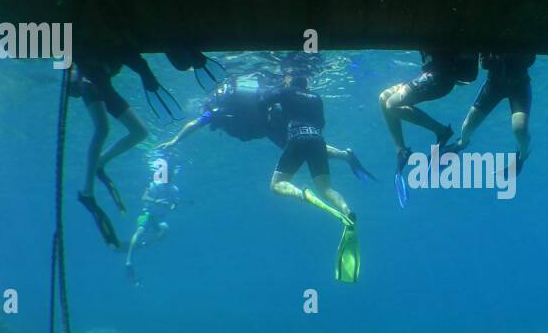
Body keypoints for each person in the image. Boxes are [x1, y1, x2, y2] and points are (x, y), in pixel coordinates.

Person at [157, 76, 377, 182]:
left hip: (271, 125)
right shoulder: (224, 102)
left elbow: (194, 124)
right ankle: (346, 155)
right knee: (310, 146)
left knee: (303, 149)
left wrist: (174, 141)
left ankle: (346, 156)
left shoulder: (213, 109)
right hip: (270, 122)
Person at [266, 70, 360, 282]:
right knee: (326, 188)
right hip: (318, 140)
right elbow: (321, 123)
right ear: (307, 82)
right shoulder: (317, 98)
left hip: (296, 139)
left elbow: (264, 99)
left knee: (277, 185)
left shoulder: (285, 91)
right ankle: (347, 210)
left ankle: (303, 195)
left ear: (290, 80)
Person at [379, 51, 478, 206]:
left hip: (438, 79)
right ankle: (401, 150)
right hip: (430, 75)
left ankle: (441, 131)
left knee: (391, 105)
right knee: (384, 98)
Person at [70, 60, 149, 248]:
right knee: (102, 129)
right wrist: (73, 77)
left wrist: (147, 76)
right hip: (89, 82)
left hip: (104, 85)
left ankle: (100, 162)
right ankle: (87, 191)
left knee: (140, 132)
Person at [446, 53, 536, 176]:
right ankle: (460, 144)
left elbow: (530, 60)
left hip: (519, 84)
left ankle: (521, 158)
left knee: (520, 130)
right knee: (467, 127)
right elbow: (484, 64)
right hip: (494, 85)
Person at [125, 157, 181, 287]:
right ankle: (129, 261)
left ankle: (145, 244)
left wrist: (170, 206)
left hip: (159, 218)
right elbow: (144, 197)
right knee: (140, 230)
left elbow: (175, 205)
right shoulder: (154, 184)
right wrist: (156, 201)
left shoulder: (175, 189)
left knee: (165, 230)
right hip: (148, 214)